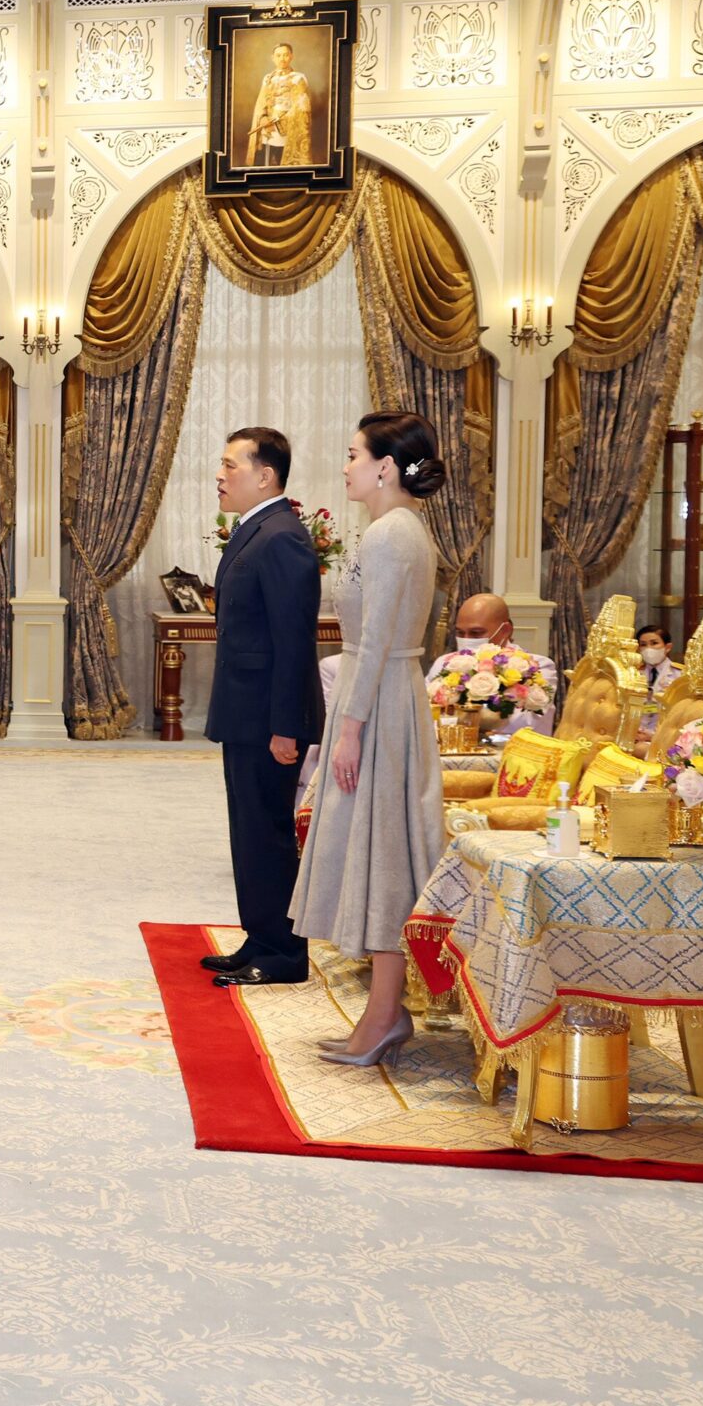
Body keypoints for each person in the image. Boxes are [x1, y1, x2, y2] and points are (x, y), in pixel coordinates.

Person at [294, 413, 448, 1065]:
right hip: (381, 695)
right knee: (378, 857)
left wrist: (349, 729)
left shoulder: (391, 535)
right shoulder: (398, 529)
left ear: (387, 466)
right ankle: (385, 1010)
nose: (348, 464)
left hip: (379, 704)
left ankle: (385, 1014)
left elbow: (378, 634)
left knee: (383, 857)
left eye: (355, 453)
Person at [202, 426, 324, 991]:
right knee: (249, 830)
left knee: (268, 831)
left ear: (265, 475)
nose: (221, 475)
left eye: (231, 465)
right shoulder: (256, 530)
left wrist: (285, 727)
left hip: (267, 720)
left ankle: (282, 953)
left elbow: (293, 640)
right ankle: (260, 936)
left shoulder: (282, 538)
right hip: (245, 711)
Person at [428, 592, 559, 735]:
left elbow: (525, 722)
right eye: (460, 632)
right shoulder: (445, 663)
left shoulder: (539, 666)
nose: (466, 639)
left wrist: (461, 714)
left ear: (505, 630)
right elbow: (425, 713)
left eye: (476, 633)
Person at [247, 43, 315, 169]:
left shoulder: (298, 78)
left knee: (282, 161)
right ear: (273, 58)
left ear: (291, 57)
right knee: (266, 159)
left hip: (287, 125)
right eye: (278, 55)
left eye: (285, 55)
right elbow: (261, 102)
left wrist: (279, 121)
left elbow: (302, 106)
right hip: (266, 125)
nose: (282, 58)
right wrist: (263, 118)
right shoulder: (268, 78)